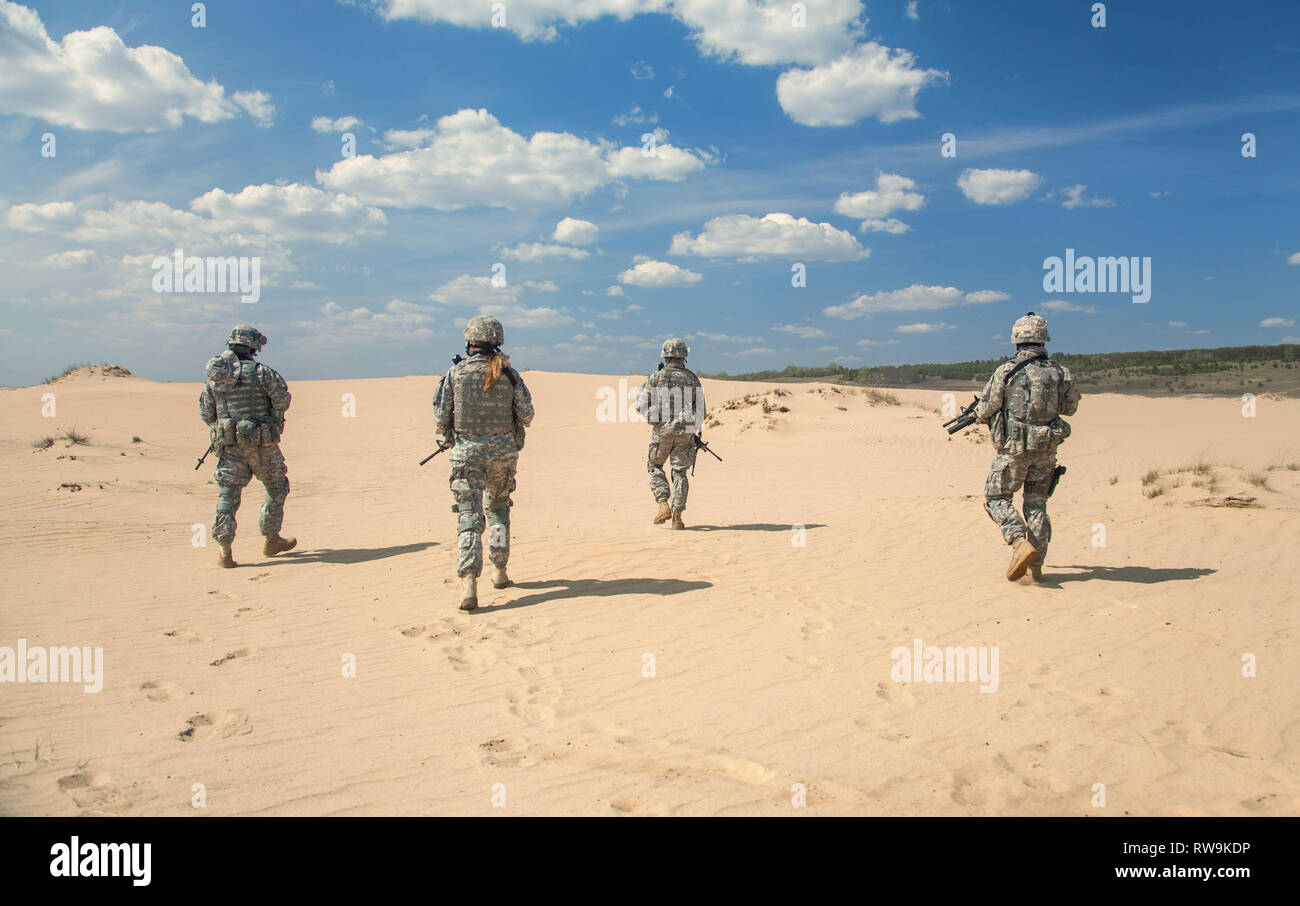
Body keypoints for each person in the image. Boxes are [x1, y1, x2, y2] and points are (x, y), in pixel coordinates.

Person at [433, 316, 534, 611]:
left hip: (466, 454)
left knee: (468, 516)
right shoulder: (510, 375)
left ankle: (469, 584)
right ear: (497, 341)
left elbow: (441, 419)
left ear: (469, 342)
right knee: (499, 510)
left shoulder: (455, 374)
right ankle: (500, 571)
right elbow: (527, 414)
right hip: (503, 455)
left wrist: (454, 434)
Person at [974, 312, 1080, 581]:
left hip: (1015, 450)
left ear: (1017, 339)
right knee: (1036, 505)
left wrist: (977, 415)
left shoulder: (1007, 371)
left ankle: (1019, 543)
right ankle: (1037, 567)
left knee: (996, 498)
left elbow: (988, 406)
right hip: (1046, 450)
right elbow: (1071, 408)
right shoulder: (1060, 372)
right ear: (1043, 339)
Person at [199, 325, 295, 568]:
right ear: (254, 346)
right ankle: (271, 539)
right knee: (276, 488)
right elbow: (283, 401)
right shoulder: (262, 373)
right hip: (262, 445)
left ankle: (224, 552)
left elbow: (207, 414)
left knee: (228, 496)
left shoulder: (214, 380)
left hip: (229, 447)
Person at [633, 337, 706, 530]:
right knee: (680, 473)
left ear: (665, 356)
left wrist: (655, 419)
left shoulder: (654, 378)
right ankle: (677, 518)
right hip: (685, 433)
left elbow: (639, 404)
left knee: (654, 466)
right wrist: (693, 431)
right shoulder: (692, 378)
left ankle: (663, 504)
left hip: (661, 433)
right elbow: (701, 412)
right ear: (684, 356)